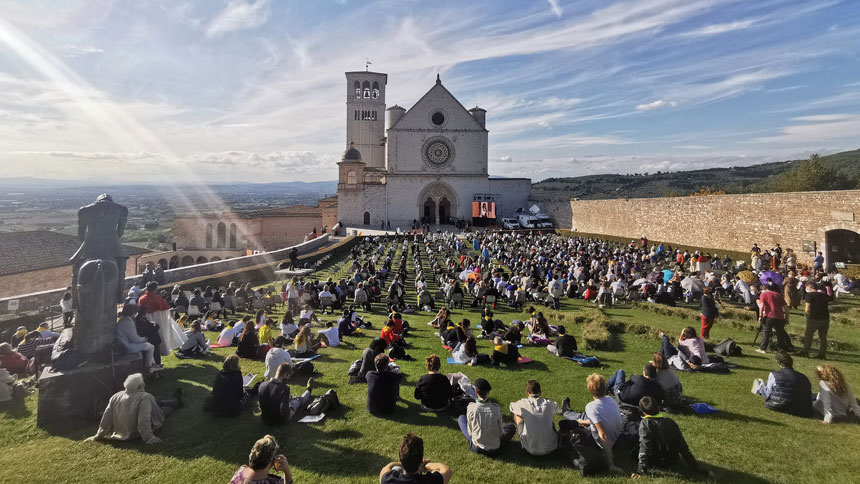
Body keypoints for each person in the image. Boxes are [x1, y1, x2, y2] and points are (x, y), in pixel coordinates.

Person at [87, 373, 182, 445]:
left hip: (121, 432)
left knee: (155, 401)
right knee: (166, 410)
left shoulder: (116, 396)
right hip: (134, 433)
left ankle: (174, 400)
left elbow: (106, 418)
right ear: (140, 386)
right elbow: (144, 420)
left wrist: (98, 436)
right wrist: (149, 438)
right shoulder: (144, 397)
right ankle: (175, 402)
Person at [632, 396, 709, 478]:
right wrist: (696, 467)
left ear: (643, 411)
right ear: (658, 407)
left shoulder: (645, 423)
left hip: (653, 461)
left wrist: (641, 470)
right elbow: (683, 448)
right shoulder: (671, 422)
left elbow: (645, 447)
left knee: (633, 442)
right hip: (671, 460)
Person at [561, 373, 624, 473]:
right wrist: (584, 422)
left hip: (603, 442)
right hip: (616, 436)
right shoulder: (611, 399)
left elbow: (602, 434)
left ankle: (566, 412)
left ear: (590, 390)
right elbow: (604, 420)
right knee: (583, 419)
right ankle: (568, 412)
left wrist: (611, 464)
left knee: (577, 419)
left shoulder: (591, 407)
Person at [458, 378, 516, 455]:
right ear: (488, 393)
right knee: (511, 426)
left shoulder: (471, 407)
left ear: (475, 391)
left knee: (461, 418)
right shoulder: (495, 408)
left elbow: (470, 431)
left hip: (477, 447)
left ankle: (477, 442)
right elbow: (501, 432)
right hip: (495, 448)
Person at [752, 352, 813, 418]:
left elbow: (768, 393)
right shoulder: (803, 377)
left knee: (759, 383)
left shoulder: (774, 374)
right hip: (802, 409)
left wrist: (762, 387)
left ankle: (758, 388)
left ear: (777, 362)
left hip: (779, 405)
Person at [508, 380, 560, 456]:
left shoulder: (523, 403)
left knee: (516, 414)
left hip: (529, 448)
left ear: (527, 393)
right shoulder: (548, 403)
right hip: (551, 447)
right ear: (540, 393)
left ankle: (525, 433)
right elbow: (556, 407)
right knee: (549, 415)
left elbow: (511, 407)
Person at [379, 433, 452, 484]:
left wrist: (405, 463)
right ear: (420, 460)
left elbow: (388, 466)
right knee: (436, 471)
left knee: (395, 468)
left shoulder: (388, 480)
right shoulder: (432, 481)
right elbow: (446, 470)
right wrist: (425, 465)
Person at [115, 303, 161, 374]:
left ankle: (152, 365)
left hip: (125, 343)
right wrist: (144, 339)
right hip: (127, 346)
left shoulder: (125, 320)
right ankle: (148, 367)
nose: (136, 313)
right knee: (150, 347)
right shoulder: (127, 323)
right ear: (132, 312)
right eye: (135, 312)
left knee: (148, 345)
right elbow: (134, 339)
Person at [757, 283, 791, 354]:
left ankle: (763, 348)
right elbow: (786, 308)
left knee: (766, 332)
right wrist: (786, 318)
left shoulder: (764, 294)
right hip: (780, 317)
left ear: (764, 289)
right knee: (780, 333)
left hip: (769, 316)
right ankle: (781, 349)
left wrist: (760, 316)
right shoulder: (778, 295)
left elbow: (761, 306)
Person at [798, 282, 830, 359]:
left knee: (809, 335)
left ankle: (805, 351)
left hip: (814, 318)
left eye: (807, 287)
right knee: (823, 337)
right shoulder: (824, 295)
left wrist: (807, 315)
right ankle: (822, 354)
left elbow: (807, 307)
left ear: (809, 287)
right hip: (825, 318)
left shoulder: (809, 295)